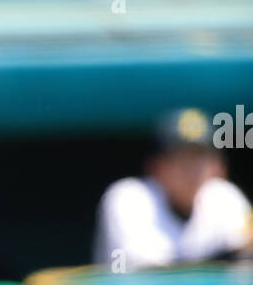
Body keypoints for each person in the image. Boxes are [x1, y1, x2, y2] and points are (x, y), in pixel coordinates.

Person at [93, 108, 253, 269]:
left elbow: (245, 261)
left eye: (200, 158)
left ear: (218, 167)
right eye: (182, 159)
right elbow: (145, 273)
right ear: (155, 167)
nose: (193, 170)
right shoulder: (127, 198)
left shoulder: (225, 197)